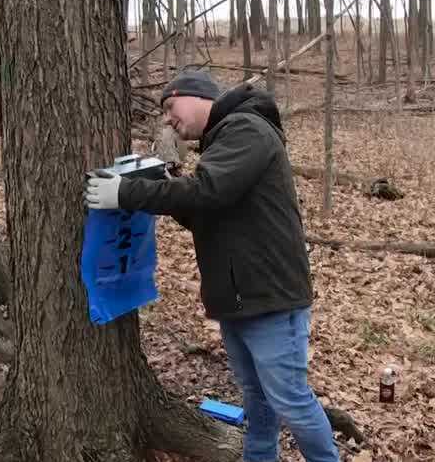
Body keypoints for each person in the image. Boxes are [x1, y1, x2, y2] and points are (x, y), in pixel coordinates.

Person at [85, 71, 340, 462]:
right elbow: (207, 209)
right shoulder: (224, 142)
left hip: (270, 298)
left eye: (170, 107)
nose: (168, 119)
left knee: (291, 402)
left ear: (197, 96)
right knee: (258, 405)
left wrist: (125, 192)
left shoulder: (246, 129)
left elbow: (207, 191)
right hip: (240, 300)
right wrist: (164, 182)